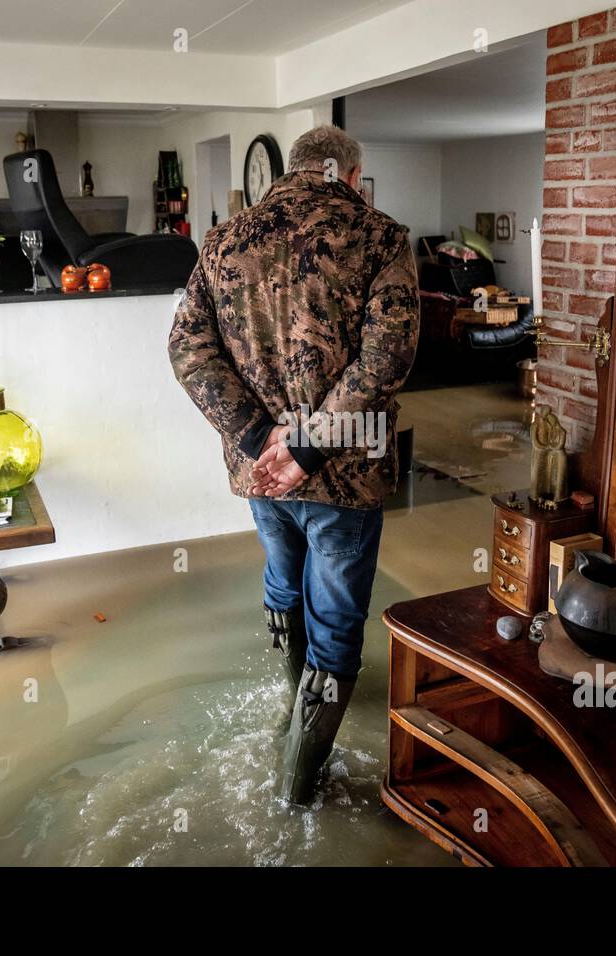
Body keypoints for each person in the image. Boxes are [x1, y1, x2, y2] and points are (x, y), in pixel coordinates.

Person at [167, 125, 419, 804]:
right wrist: (305, 448)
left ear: (292, 169)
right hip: (344, 475)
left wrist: (261, 442)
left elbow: (188, 350)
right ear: (349, 172)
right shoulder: (382, 236)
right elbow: (386, 360)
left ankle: (291, 711)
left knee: (283, 570)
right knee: (336, 618)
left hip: (262, 472)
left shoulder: (222, 240)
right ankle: (295, 786)